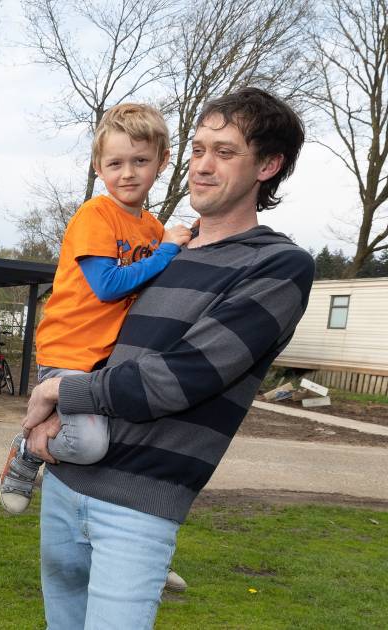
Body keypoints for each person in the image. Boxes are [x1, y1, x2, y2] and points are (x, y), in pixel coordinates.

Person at [21, 87, 313, 629]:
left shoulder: (277, 265)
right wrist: (51, 415)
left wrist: (60, 392)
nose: (203, 166)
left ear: (269, 165)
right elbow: (96, 335)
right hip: (65, 484)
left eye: (224, 153)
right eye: (199, 148)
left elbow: (183, 377)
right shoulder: (159, 251)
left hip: (138, 504)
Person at [0, 103, 192, 590]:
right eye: (115, 163)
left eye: (140, 162)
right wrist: (169, 251)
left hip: (114, 360)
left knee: (137, 450)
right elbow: (107, 285)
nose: (127, 173)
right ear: (97, 166)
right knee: (88, 442)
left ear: (163, 161)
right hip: (71, 351)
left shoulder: (150, 228)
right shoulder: (95, 215)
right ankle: (26, 448)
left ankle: (136, 551)